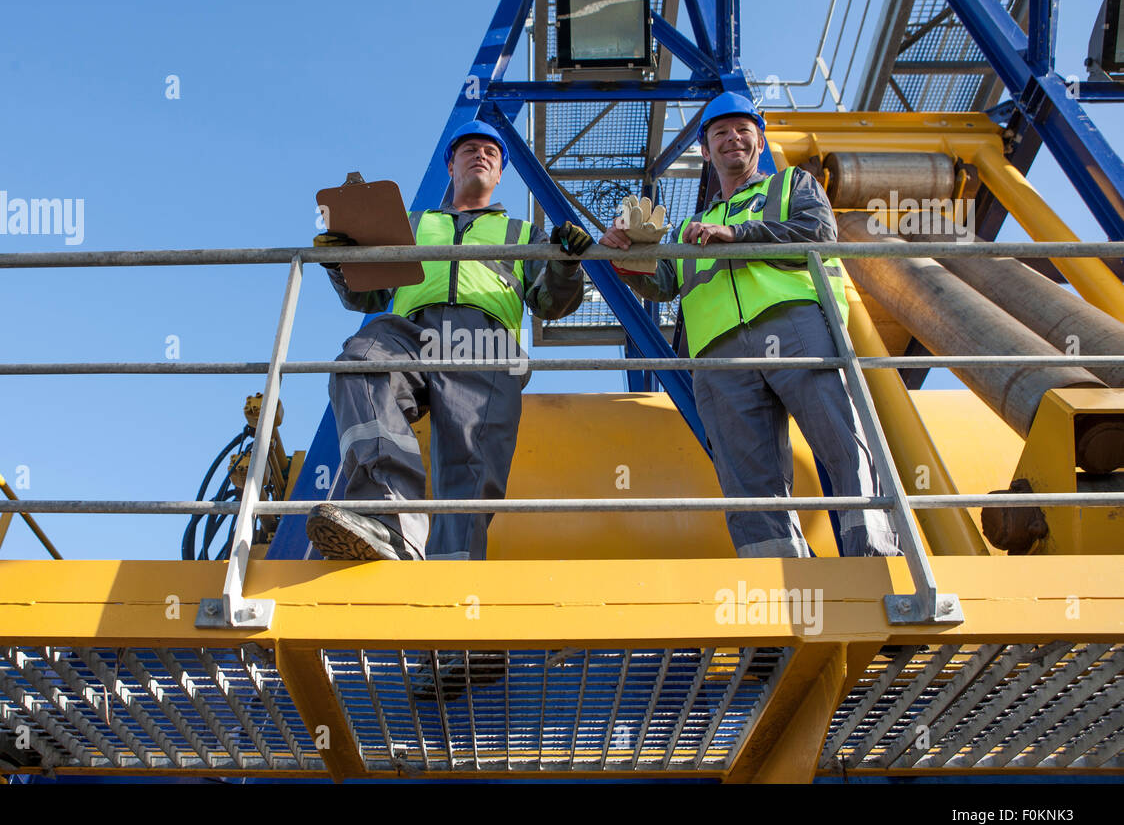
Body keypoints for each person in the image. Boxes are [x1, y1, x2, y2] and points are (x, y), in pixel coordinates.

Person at [600, 92, 900, 559]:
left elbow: (817, 233)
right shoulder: (687, 227)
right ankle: (779, 601)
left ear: (759, 141)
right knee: (748, 482)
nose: (732, 139)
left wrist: (738, 235)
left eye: (742, 130)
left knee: (842, 441)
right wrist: (627, 255)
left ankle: (878, 561)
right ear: (706, 150)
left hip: (795, 327)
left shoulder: (789, 186)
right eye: (720, 132)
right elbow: (663, 284)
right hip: (718, 354)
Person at [307, 120, 591, 561]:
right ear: (451, 164)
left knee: (472, 458)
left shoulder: (523, 234)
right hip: (412, 332)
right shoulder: (413, 225)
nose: (480, 155)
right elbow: (368, 294)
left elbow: (551, 304)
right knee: (361, 363)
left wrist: (567, 265)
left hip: (487, 344)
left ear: (500, 175)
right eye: (469, 149)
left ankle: (452, 567)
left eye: (491, 153)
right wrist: (340, 262)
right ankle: (390, 516)